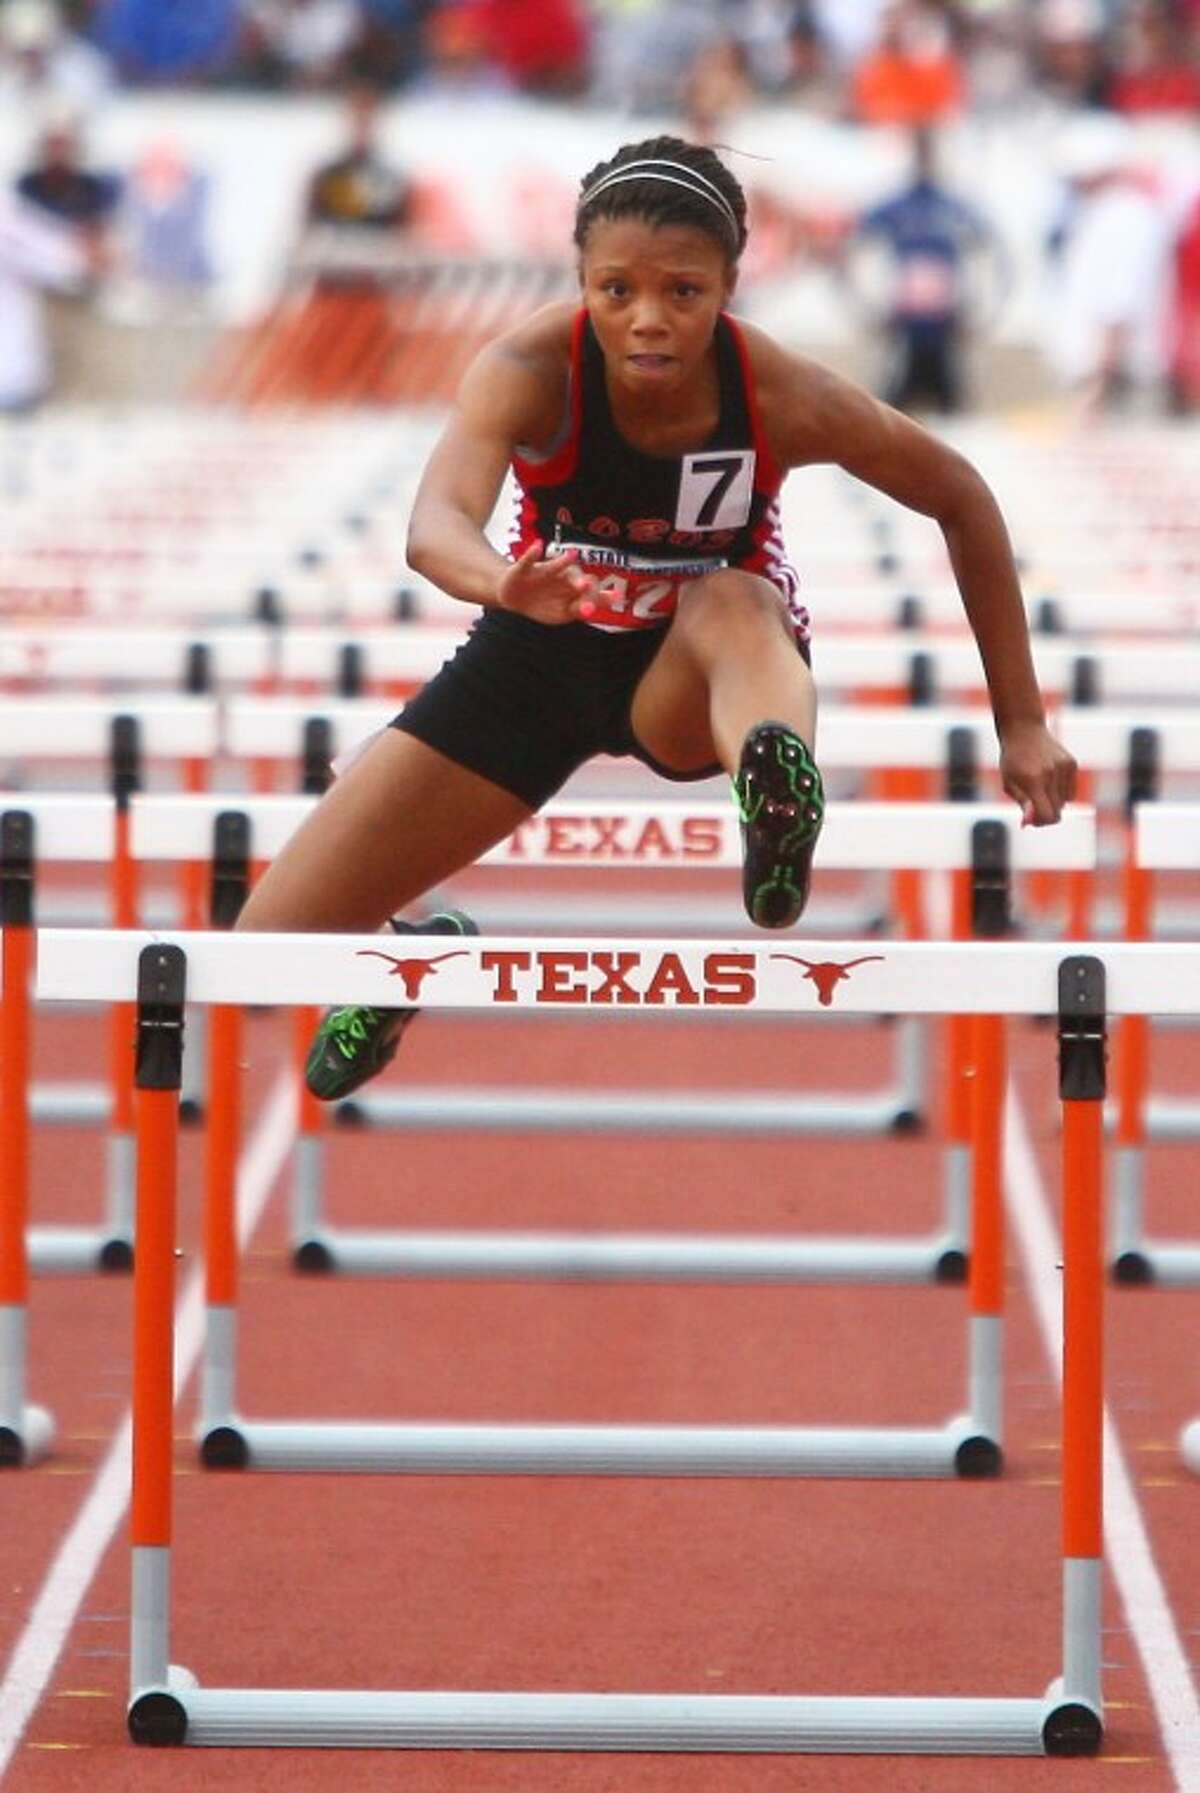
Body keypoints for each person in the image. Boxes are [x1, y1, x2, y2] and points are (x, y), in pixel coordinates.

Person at [235, 134, 1077, 1100]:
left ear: (728, 288)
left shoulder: (780, 391)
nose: (647, 321)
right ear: (582, 282)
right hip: (539, 654)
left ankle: (775, 794)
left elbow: (962, 495)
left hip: (702, 668)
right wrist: (506, 582)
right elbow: (435, 525)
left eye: (683, 293)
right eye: (616, 291)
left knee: (730, 594)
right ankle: (403, 957)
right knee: (267, 943)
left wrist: (1019, 720)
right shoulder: (528, 368)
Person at [847, 128, 1008, 415]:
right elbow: (854, 250)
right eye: (920, 153)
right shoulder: (895, 206)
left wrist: (982, 314)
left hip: (946, 325)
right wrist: (867, 308)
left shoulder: (955, 207)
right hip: (904, 327)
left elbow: (992, 255)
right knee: (892, 410)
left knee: (953, 412)